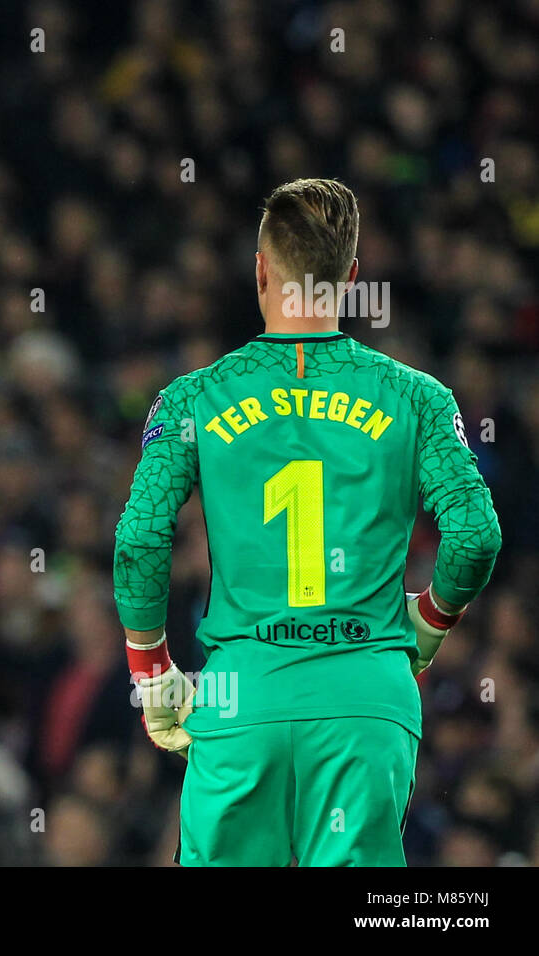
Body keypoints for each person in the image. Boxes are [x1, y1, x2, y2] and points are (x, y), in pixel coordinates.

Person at [112, 178, 503, 866]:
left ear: (260, 269)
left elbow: (141, 538)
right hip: (366, 700)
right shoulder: (418, 398)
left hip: (242, 697)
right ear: (350, 279)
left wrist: (154, 674)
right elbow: (476, 533)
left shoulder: (191, 399)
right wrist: (430, 622)